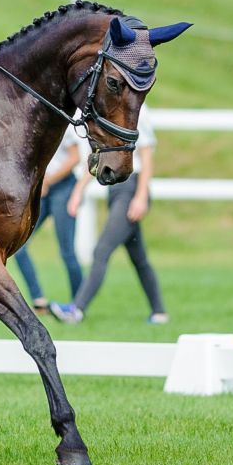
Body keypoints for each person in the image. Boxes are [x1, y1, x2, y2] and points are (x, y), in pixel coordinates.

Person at [50, 104, 167, 324]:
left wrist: (141, 196)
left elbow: (147, 155)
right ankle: (159, 312)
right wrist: (78, 191)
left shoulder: (137, 109)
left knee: (101, 250)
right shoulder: (110, 110)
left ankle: (76, 310)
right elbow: (100, 158)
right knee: (139, 257)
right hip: (116, 191)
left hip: (131, 190)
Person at [11, 129, 85, 313]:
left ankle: (79, 304)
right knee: (19, 248)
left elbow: (75, 158)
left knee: (67, 252)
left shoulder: (65, 125)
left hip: (63, 188)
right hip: (42, 187)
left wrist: (48, 180)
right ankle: (38, 299)